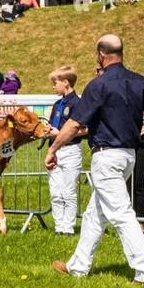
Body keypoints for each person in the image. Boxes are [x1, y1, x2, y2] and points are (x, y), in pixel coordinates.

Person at [46, 34, 144, 284]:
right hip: (129, 156)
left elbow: (74, 124)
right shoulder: (140, 82)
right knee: (94, 214)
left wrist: (52, 149)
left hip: (107, 157)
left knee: (122, 214)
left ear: (101, 54)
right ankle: (78, 266)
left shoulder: (98, 85)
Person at [46, 66, 85, 235]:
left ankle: (68, 228)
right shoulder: (57, 104)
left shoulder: (79, 104)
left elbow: (86, 128)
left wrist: (61, 134)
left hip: (71, 150)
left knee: (68, 192)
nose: (53, 87)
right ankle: (58, 226)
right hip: (54, 151)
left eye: (55, 83)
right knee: (55, 192)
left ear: (66, 83)